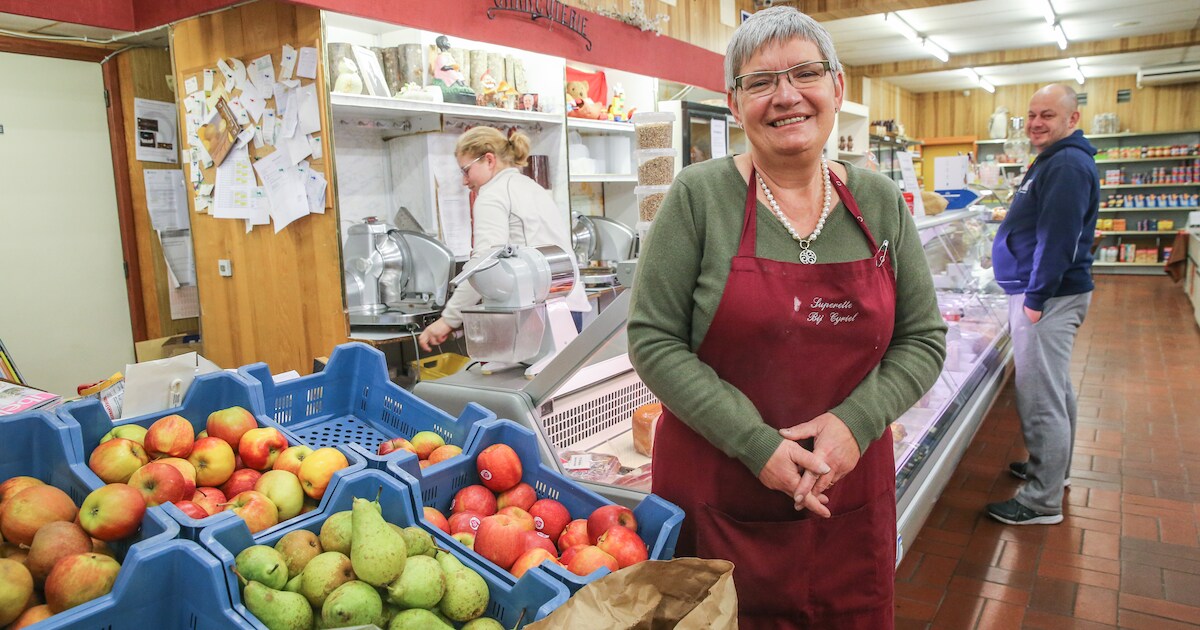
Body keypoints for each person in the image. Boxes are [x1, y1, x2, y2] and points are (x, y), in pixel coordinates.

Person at [627, 7, 946, 628]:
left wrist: (856, 424)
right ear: (733, 102)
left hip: (847, 496)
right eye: (761, 82)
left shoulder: (878, 202)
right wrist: (756, 443)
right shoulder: (697, 197)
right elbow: (654, 340)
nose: (787, 96)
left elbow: (923, 340)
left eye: (805, 74)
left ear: (838, 87)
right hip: (718, 497)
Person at [986, 84, 1099, 526]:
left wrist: (1034, 298)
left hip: (1048, 297)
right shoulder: (1057, 159)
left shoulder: (1067, 164)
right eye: (1031, 115)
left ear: (1071, 119)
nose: (1036, 123)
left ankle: (1041, 500)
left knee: (1040, 398)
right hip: (1050, 294)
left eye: (1047, 115)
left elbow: (1058, 238)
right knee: (1055, 390)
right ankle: (1052, 470)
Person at [418, 126, 589, 352]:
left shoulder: (492, 195)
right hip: (568, 307)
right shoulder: (532, 187)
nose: (464, 181)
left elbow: (482, 268)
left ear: (489, 160)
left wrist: (448, 320)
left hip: (538, 317)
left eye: (466, 170)